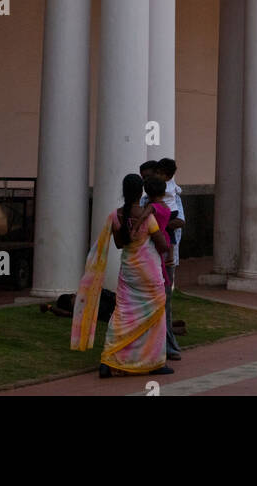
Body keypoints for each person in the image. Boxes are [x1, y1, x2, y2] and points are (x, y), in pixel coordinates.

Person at [72, 173, 172, 377]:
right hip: (150, 273)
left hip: (129, 271)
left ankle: (107, 360)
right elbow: (161, 245)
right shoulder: (148, 216)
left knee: (122, 314)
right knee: (156, 316)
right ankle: (153, 362)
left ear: (124, 192)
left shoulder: (114, 216)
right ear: (140, 192)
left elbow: (119, 244)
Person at [140, 174, 180, 360]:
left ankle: (157, 346)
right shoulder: (166, 208)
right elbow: (169, 232)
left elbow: (142, 221)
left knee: (154, 303)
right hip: (162, 250)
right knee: (162, 301)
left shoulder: (152, 209)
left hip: (152, 252)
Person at [156, 157, 185, 347]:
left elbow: (180, 221)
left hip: (164, 256)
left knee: (165, 300)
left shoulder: (170, 193)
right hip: (151, 257)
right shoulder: (148, 198)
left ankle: (168, 343)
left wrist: (158, 224)